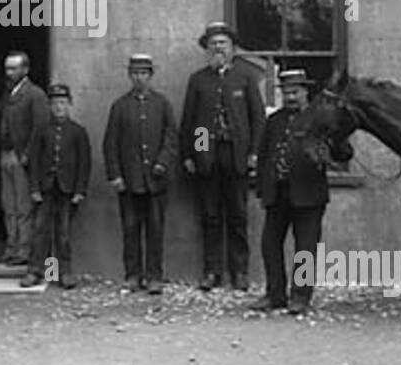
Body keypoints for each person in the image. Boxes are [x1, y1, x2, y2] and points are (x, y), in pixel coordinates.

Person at [253, 69, 353, 315]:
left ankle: (300, 297)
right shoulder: (274, 121)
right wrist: (263, 190)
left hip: (308, 194)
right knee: (270, 244)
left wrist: (335, 141)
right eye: (286, 92)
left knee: (305, 248)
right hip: (277, 194)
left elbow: (345, 154)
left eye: (295, 92)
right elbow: (264, 155)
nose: (290, 97)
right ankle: (274, 294)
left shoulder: (319, 119)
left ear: (305, 92)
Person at [180, 22, 266, 291]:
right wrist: (193, 154)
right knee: (210, 216)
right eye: (213, 44)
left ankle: (239, 272)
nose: (218, 48)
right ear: (207, 49)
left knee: (238, 216)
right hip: (208, 154)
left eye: (223, 43)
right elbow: (192, 122)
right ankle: (212, 272)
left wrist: (253, 153)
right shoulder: (199, 79)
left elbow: (258, 119)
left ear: (232, 48)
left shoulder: (245, 78)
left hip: (236, 154)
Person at [103, 54, 177, 295]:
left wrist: (163, 162)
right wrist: (115, 174)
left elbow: (172, 138)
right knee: (131, 229)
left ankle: (154, 276)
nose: (139, 78)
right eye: (135, 73)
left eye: (144, 73)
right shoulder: (120, 106)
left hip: (156, 182)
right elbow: (110, 143)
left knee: (155, 231)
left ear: (151, 75)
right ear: (129, 76)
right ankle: (132, 275)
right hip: (129, 180)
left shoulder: (162, 104)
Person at [22, 84, 91, 289]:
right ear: (49, 106)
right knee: (41, 231)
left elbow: (84, 163)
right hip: (45, 189)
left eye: (62, 103)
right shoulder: (41, 131)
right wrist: (34, 187)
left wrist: (80, 190)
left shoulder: (78, 132)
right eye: (54, 103)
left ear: (69, 104)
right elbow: (33, 161)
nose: (59, 107)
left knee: (62, 233)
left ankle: (62, 273)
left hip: (67, 190)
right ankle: (38, 271)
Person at [0, 50, 48, 267]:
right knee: (9, 205)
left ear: (25, 69)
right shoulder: (7, 94)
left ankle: (24, 250)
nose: (9, 72)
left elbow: (40, 128)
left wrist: (28, 155)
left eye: (13, 68)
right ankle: (11, 247)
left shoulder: (35, 94)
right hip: (5, 154)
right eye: (7, 68)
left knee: (24, 207)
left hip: (21, 157)